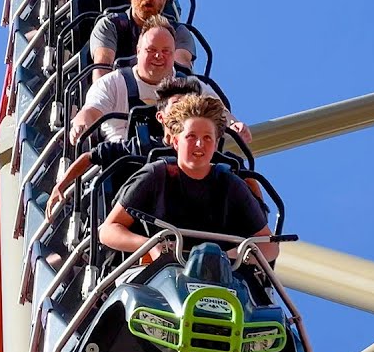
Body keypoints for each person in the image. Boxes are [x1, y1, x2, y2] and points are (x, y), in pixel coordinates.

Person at [100, 94, 277, 263]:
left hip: (218, 280)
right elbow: (109, 230)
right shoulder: (155, 175)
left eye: (207, 138)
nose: (199, 144)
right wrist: (150, 246)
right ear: (176, 142)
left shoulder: (230, 183)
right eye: (191, 136)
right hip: (156, 278)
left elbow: (269, 246)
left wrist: (227, 257)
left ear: (216, 145)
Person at [71, 17, 249, 144]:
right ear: (138, 50)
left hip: (181, 169)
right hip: (124, 166)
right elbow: (91, 112)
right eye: (151, 50)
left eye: (166, 51)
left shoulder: (192, 87)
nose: (158, 56)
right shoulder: (112, 83)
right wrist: (81, 124)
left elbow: (221, 114)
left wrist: (234, 126)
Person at [46, 75, 202, 220]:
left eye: (187, 106)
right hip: (149, 227)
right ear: (160, 116)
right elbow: (91, 156)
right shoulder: (141, 146)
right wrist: (60, 186)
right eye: (177, 105)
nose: (182, 111)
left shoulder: (205, 152)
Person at [90, 0, 197, 78]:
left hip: (166, 92)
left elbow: (181, 73)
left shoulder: (178, 32)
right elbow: (102, 72)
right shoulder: (110, 26)